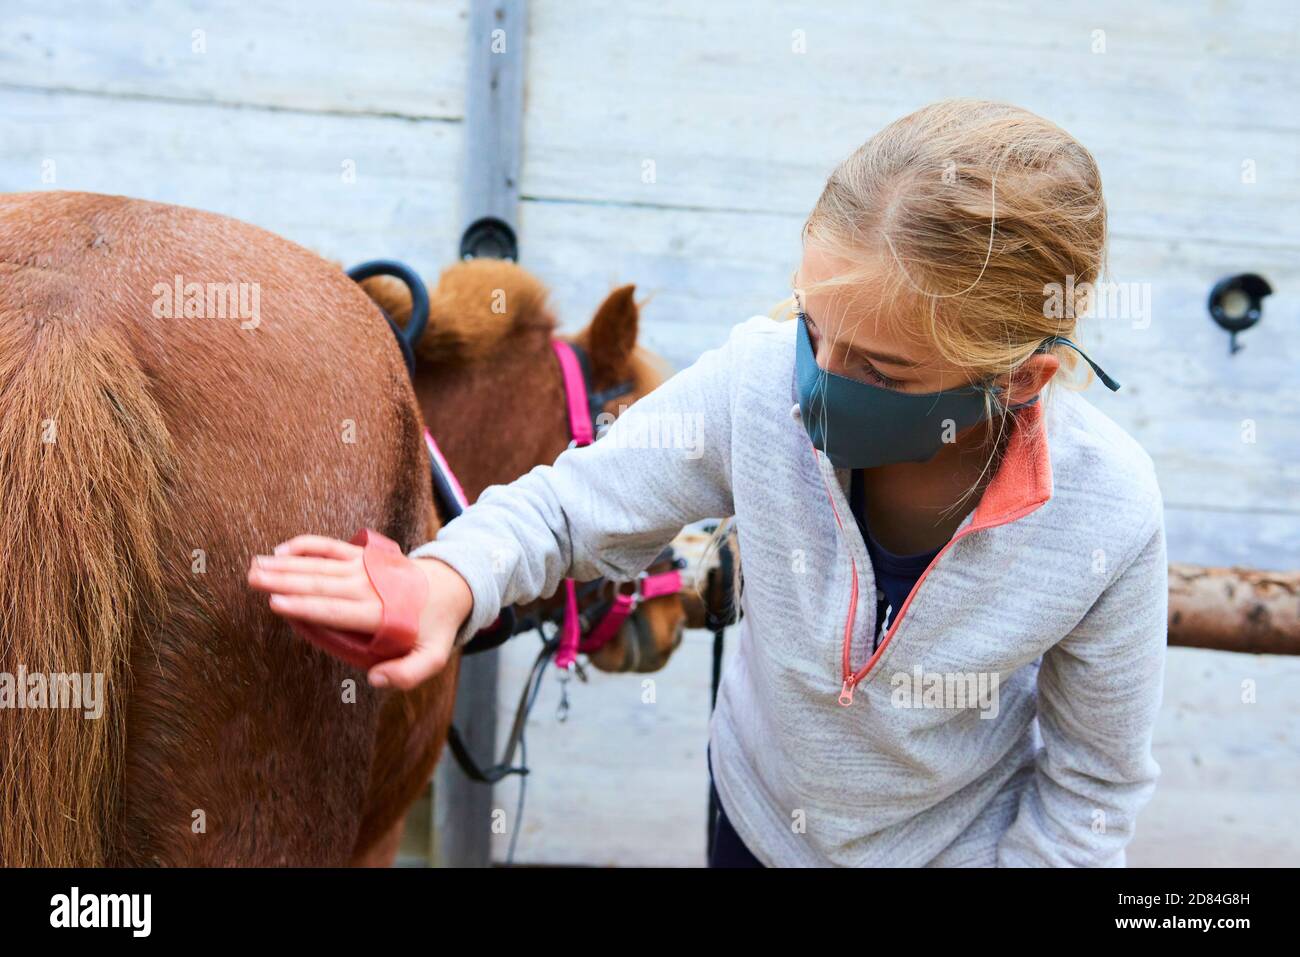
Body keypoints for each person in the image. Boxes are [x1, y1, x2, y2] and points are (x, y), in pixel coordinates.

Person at [248, 99, 1168, 867]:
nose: (821, 377)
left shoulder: (1109, 516)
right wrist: (447, 577)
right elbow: (569, 508)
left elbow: (1092, 787)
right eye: (814, 324)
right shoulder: (759, 380)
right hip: (754, 822)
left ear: (1018, 380)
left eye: (883, 374)